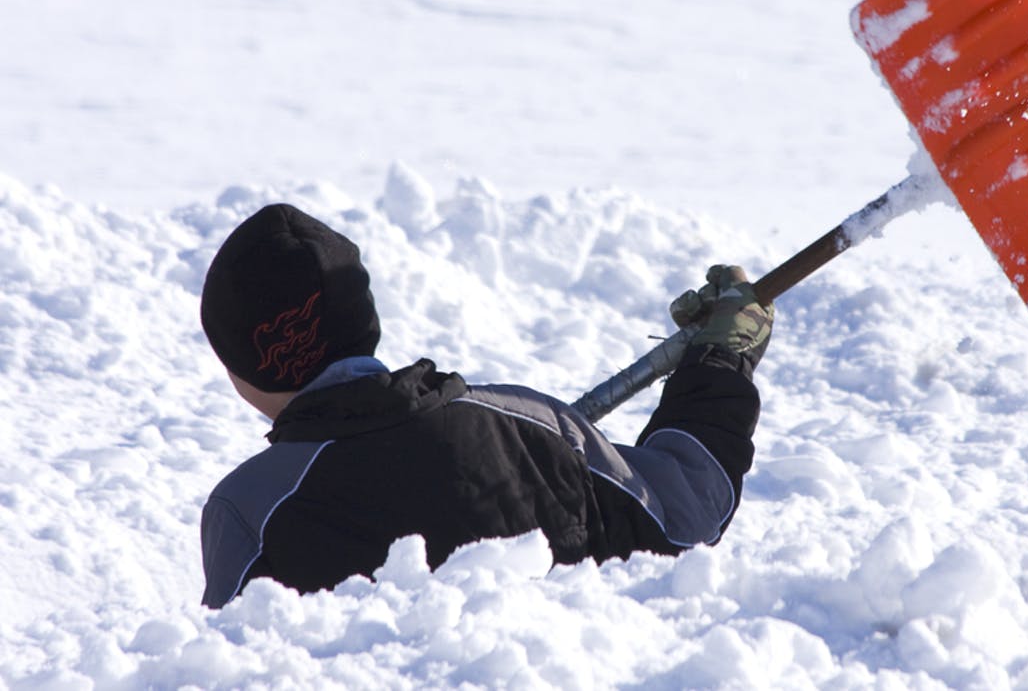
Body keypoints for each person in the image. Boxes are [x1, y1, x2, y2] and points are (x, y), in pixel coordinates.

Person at [198, 203, 772, 608]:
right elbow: (685, 511)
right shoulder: (534, 427)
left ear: (241, 365)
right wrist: (722, 357)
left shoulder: (248, 510)